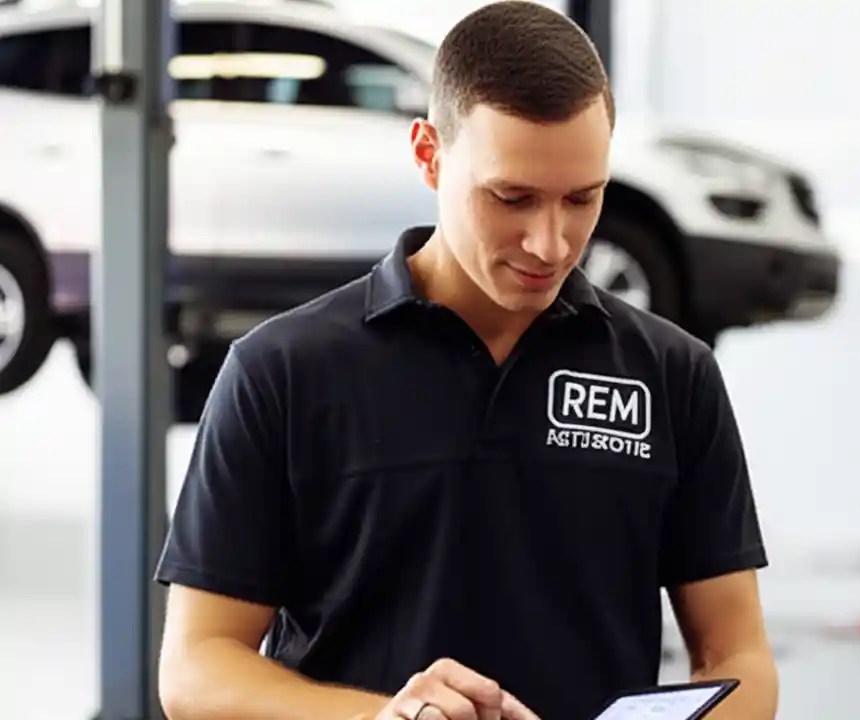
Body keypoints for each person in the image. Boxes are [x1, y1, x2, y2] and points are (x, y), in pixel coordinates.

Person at [153, 3, 778, 719]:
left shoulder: (671, 377)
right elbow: (198, 669)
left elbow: (739, 660)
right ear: (429, 154)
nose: (550, 242)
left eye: (583, 198)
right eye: (511, 197)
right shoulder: (283, 373)